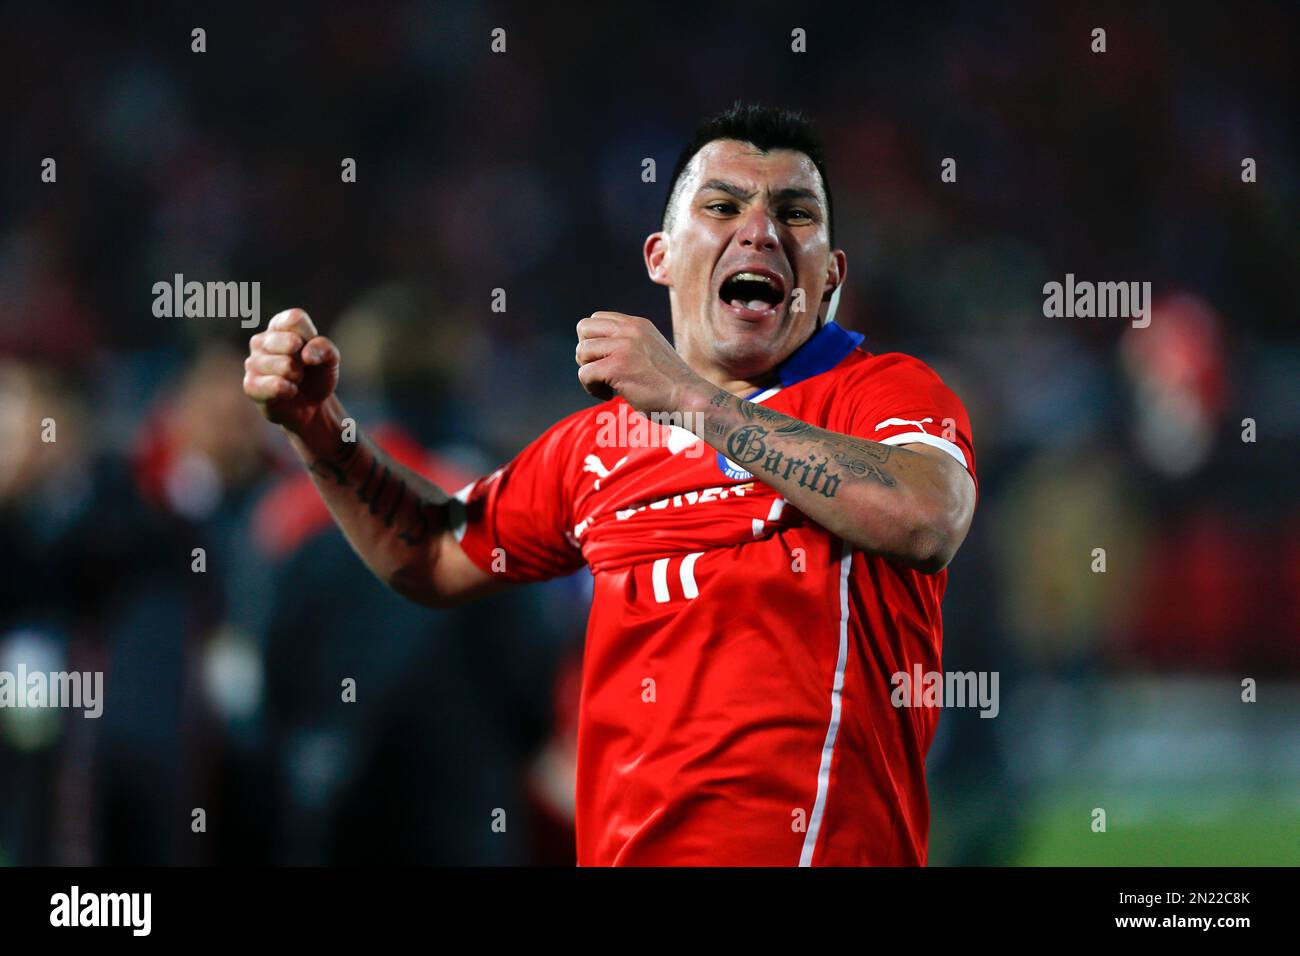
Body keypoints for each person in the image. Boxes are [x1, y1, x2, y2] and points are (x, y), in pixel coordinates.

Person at [243, 103, 978, 865]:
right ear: (660, 256)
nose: (760, 229)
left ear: (830, 274)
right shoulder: (597, 448)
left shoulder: (881, 396)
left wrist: (690, 399)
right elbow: (429, 555)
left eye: (795, 213)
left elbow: (926, 517)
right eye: (723, 205)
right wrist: (320, 430)